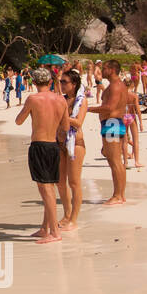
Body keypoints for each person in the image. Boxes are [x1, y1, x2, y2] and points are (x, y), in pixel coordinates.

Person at [15, 68, 67, 244]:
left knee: (46, 190)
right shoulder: (61, 100)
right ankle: (46, 228)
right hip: (54, 145)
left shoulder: (33, 99)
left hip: (39, 145)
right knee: (49, 187)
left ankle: (54, 232)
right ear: (51, 82)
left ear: (34, 83)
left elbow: (18, 120)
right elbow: (65, 127)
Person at [93, 59, 130, 204]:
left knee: (115, 161)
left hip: (112, 123)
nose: (102, 70)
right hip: (112, 123)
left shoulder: (116, 86)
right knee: (113, 159)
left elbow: (110, 108)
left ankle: (118, 195)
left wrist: (88, 109)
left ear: (112, 70)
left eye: (105, 68)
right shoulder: (116, 85)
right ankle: (120, 194)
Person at [56, 69, 88, 231]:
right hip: (60, 143)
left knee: (74, 182)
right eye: (60, 81)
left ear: (74, 84)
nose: (61, 85)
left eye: (64, 82)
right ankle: (67, 214)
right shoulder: (61, 100)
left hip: (76, 143)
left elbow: (78, 122)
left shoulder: (81, 101)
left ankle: (74, 219)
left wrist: (61, 117)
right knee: (60, 182)